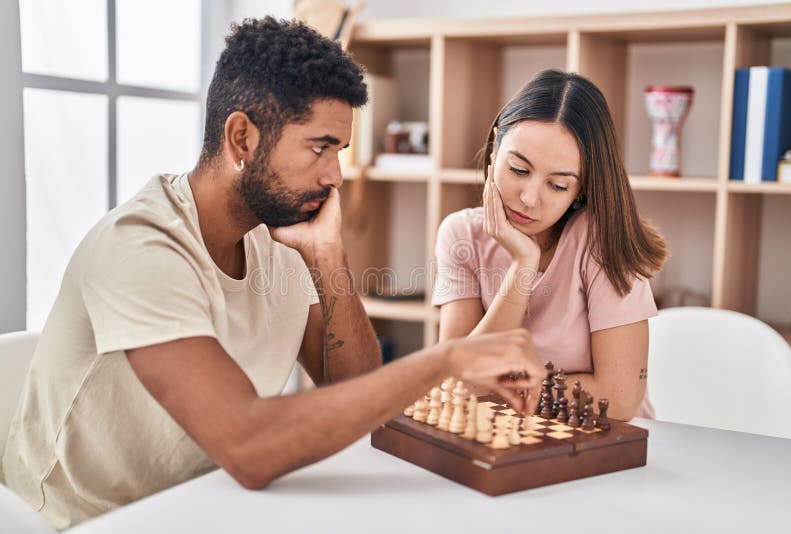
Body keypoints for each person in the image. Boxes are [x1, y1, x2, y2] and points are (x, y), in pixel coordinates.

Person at [1, 17, 543, 529]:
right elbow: (249, 446)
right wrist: (447, 359)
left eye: (341, 151)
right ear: (242, 138)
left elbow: (357, 394)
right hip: (85, 521)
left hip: (206, 503)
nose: (335, 175)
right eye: (319, 148)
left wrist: (329, 256)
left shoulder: (281, 231)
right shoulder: (140, 249)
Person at [433, 69, 668, 420]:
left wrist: (495, 384)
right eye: (518, 169)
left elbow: (619, 399)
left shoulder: (601, 240)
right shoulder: (461, 234)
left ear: (582, 188)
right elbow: (457, 384)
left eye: (557, 186)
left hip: (606, 444)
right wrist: (523, 265)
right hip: (506, 442)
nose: (529, 198)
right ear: (495, 149)